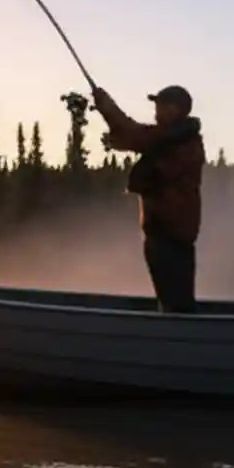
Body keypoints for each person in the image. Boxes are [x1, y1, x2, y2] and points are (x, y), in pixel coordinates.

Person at [91, 84, 205, 313]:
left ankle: (178, 333)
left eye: (160, 106)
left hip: (168, 234)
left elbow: (133, 135)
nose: (156, 112)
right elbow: (135, 138)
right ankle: (180, 329)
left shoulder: (176, 140)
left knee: (176, 304)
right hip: (170, 233)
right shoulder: (175, 138)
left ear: (175, 109)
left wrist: (105, 104)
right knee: (175, 301)